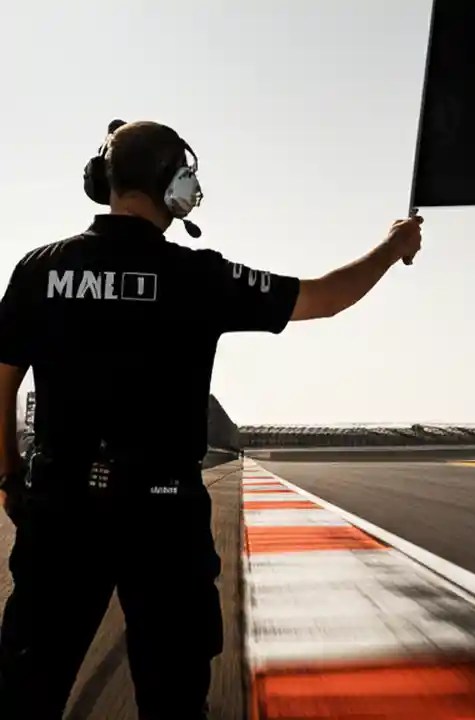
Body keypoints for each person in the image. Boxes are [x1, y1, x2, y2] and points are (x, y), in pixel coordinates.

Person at [0, 119, 423, 719]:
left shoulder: (37, 269)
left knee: (24, 692)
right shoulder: (199, 276)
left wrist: (10, 477)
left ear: (105, 181)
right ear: (171, 183)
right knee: (174, 702)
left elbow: (2, 382)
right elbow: (326, 296)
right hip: (163, 519)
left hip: (60, 511)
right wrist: (394, 245)